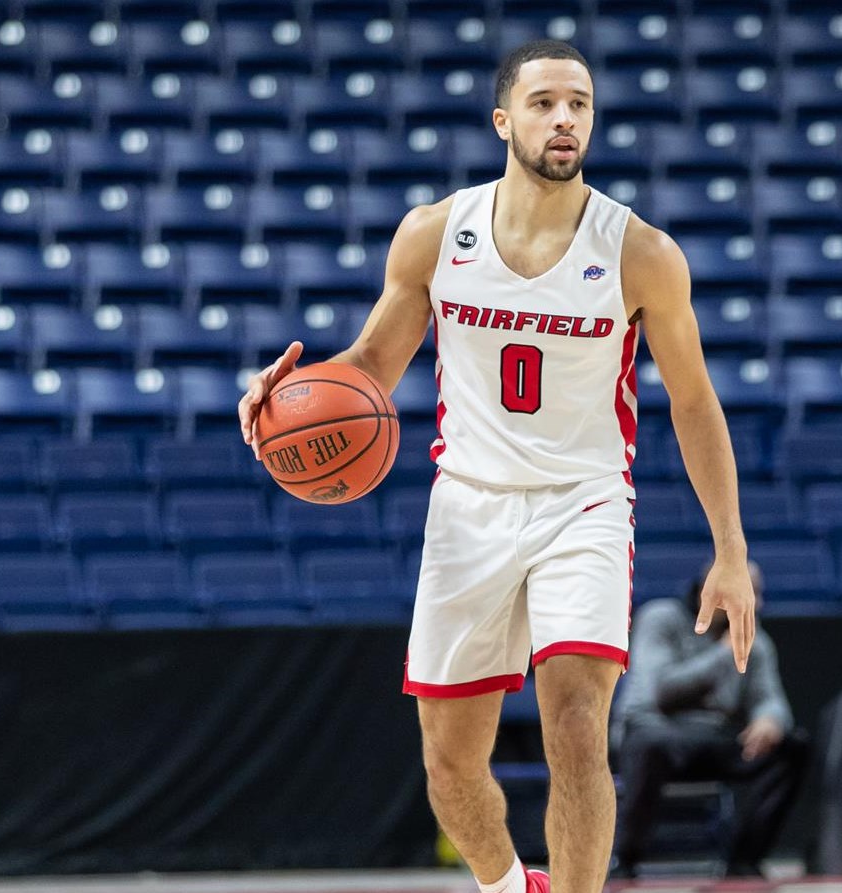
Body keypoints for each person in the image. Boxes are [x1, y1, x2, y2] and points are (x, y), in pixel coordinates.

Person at [236, 40, 757, 893]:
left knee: (578, 727)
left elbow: (696, 402)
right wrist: (284, 398)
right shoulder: (436, 234)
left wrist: (729, 549)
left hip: (584, 501)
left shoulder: (642, 253)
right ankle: (512, 886)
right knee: (449, 765)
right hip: (469, 503)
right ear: (503, 121)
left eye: (580, 104)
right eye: (545, 103)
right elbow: (368, 367)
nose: (565, 119)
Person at [610, 562, 809, 880]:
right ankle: (624, 860)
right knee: (648, 743)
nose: (758, 604)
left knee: (791, 747)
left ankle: (743, 862)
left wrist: (769, 719)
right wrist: (723, 655)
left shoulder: (753, 638)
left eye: (758, 594)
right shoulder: (662, 617)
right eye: (751, 593)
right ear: (716, 588)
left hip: (712, 738)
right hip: (655, 729)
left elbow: (770, 698)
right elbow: (662, 691)